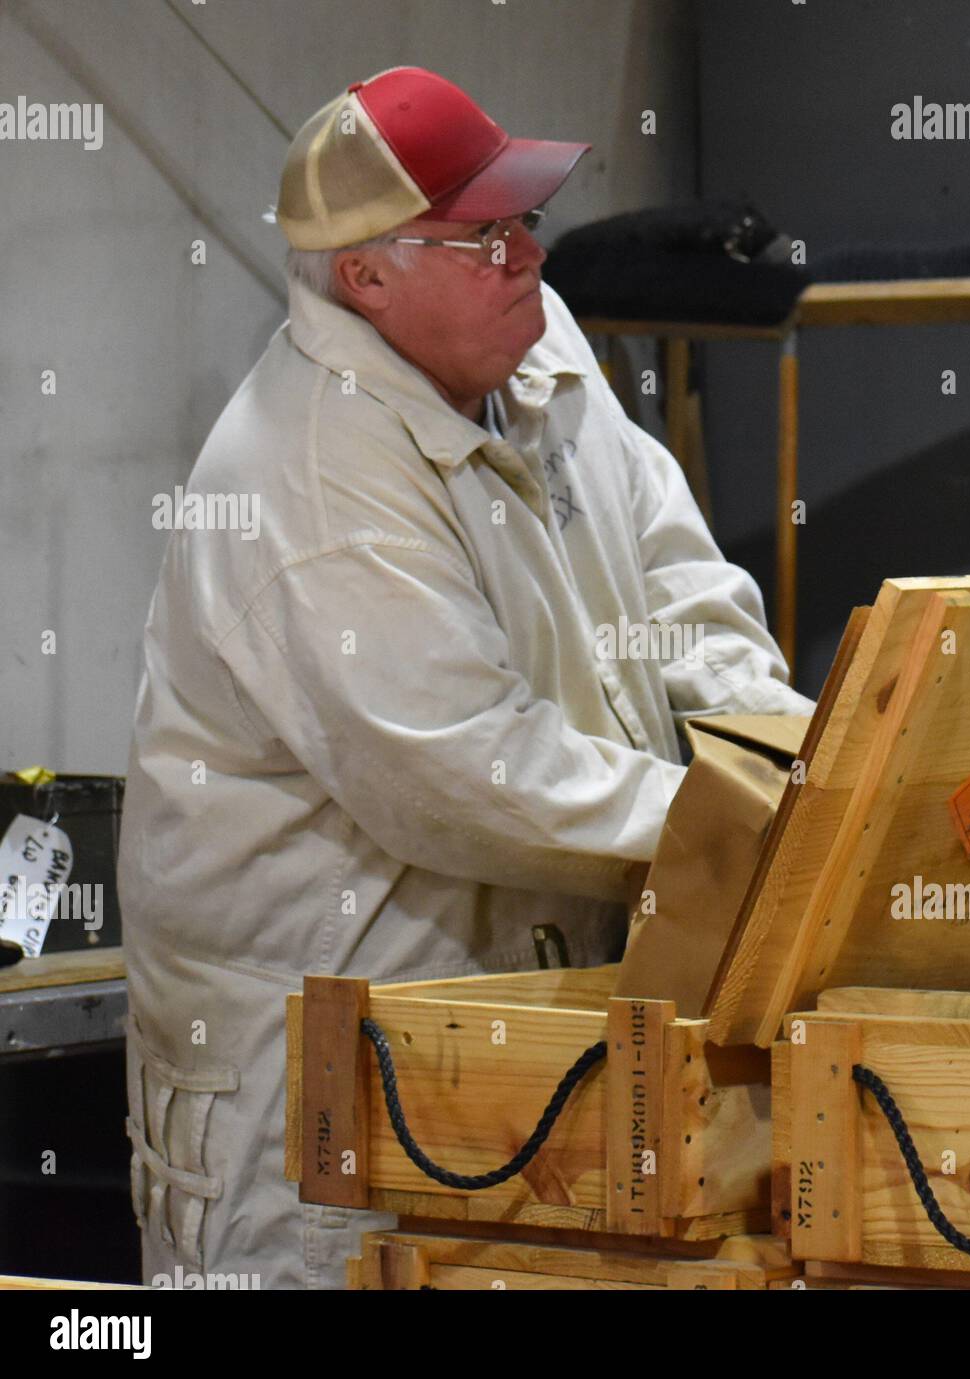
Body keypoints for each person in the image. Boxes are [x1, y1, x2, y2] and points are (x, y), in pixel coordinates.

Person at [117, 65, 812, 1290]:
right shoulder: (314, 477)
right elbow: (470, 772)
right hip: (317, 1097)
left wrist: (786, 754)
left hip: (509, 1044)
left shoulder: (539, 351)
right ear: (364, 277)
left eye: (527, 219)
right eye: (480, 235)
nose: (527, 257)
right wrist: (754, 823)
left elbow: (680, 586)